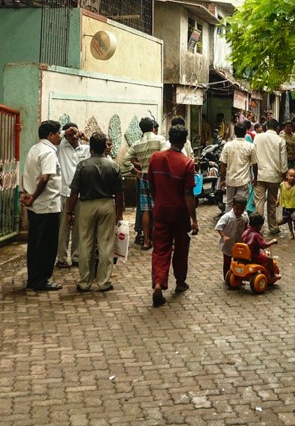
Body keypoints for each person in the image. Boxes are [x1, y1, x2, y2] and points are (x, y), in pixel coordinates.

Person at [65, 131, 124, 293]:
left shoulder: (83, 165)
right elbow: (119, 193)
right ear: (105, 147)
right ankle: (104, 282)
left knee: (85, 242)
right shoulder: (113, 166)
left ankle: (85, 281)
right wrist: (119, 213)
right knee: (105, 244)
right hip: (107, 204)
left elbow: (74, 192)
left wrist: (70, 212)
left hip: (86, 206)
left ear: (90, 148)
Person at [147, 125, 198, 308]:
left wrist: (157, 201)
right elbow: (188, 195)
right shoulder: (187, 163)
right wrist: (194, 219)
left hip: (161, 210)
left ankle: (159, 284)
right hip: (180, 213)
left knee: (160, 249)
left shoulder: (156, 158)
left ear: (169, 138)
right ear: (184, 140)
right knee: (181, 248)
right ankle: (180, 282)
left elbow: (151, 185)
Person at [19, 120, 65, 291]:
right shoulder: (48, 152)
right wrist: (34, 196)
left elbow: (28, 174)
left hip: (37, 204)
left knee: (35, 242)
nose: (60, 136)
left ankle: (34, 278)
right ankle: (41, 279)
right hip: (47, 204)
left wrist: (27, 194)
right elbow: (45, 177)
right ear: (51, 135)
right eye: (58, 133)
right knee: (47, 243)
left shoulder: (34, 149)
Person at [125, 117, 169, 248]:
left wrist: (135, 171)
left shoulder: (137, 143)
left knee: (145, 209)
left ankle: (145, 241)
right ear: (152, 128)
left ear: (141, 129)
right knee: (159, 207)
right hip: (158, 175)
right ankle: (159, 239)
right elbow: (166, 154)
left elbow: (125, 160)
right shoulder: (160, 139)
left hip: (144, 175)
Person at [56, 122, 89, 269]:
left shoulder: (85, 149)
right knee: (63, 228)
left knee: (78, 227)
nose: (73, 136)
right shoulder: (60, 148)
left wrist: (85, 138)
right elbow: (57, 137)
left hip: (81, 194)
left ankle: (76, 256)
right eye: (70, 134)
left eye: (75, 133)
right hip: (65, 193)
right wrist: (65, 132)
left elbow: (100, 149)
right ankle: (61, 258)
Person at [252, 118, 288, 235]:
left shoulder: (258, 137)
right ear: (277, 128)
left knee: (259, 202)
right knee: (272, 202)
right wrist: (284, 174)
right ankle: (272, 226)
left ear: (266, 127)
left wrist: (253, 174)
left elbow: (253, 156)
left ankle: (258, 227)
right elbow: (283, 160)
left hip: (260, 174)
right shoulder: (280, 140)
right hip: (274, 175)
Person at [216, 193, 249, 277]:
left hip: (239, 243)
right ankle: (227, 277)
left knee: (238, 261)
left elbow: (246, 226)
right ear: (232, 206)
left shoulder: (245, 216)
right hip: (228, 244)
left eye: (241, 209)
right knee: (227, 262)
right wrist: (224, 236)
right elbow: (219, 227)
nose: (239, 211)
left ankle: (237, 277)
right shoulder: (226, 217)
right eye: (237, 209)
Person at [219, 123, 255, 202]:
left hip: (230, 180)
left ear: (234, 132)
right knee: (242, 204)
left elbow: (223, 165)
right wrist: (255, 177)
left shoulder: (227, 146)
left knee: (229, 203)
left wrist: (222, 179)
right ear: (245, 132)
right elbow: (255, 164)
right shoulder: (250, 146)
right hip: (244, 180)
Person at [279, 168, 295, 239]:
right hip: (286, 206)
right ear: (287, 176)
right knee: (288, 220)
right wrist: (278, 200)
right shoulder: (282, 184)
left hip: (293, 206)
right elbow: (281, 193)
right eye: (291, 176)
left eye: (294, 176)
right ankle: (291, 232)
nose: (292, 178)